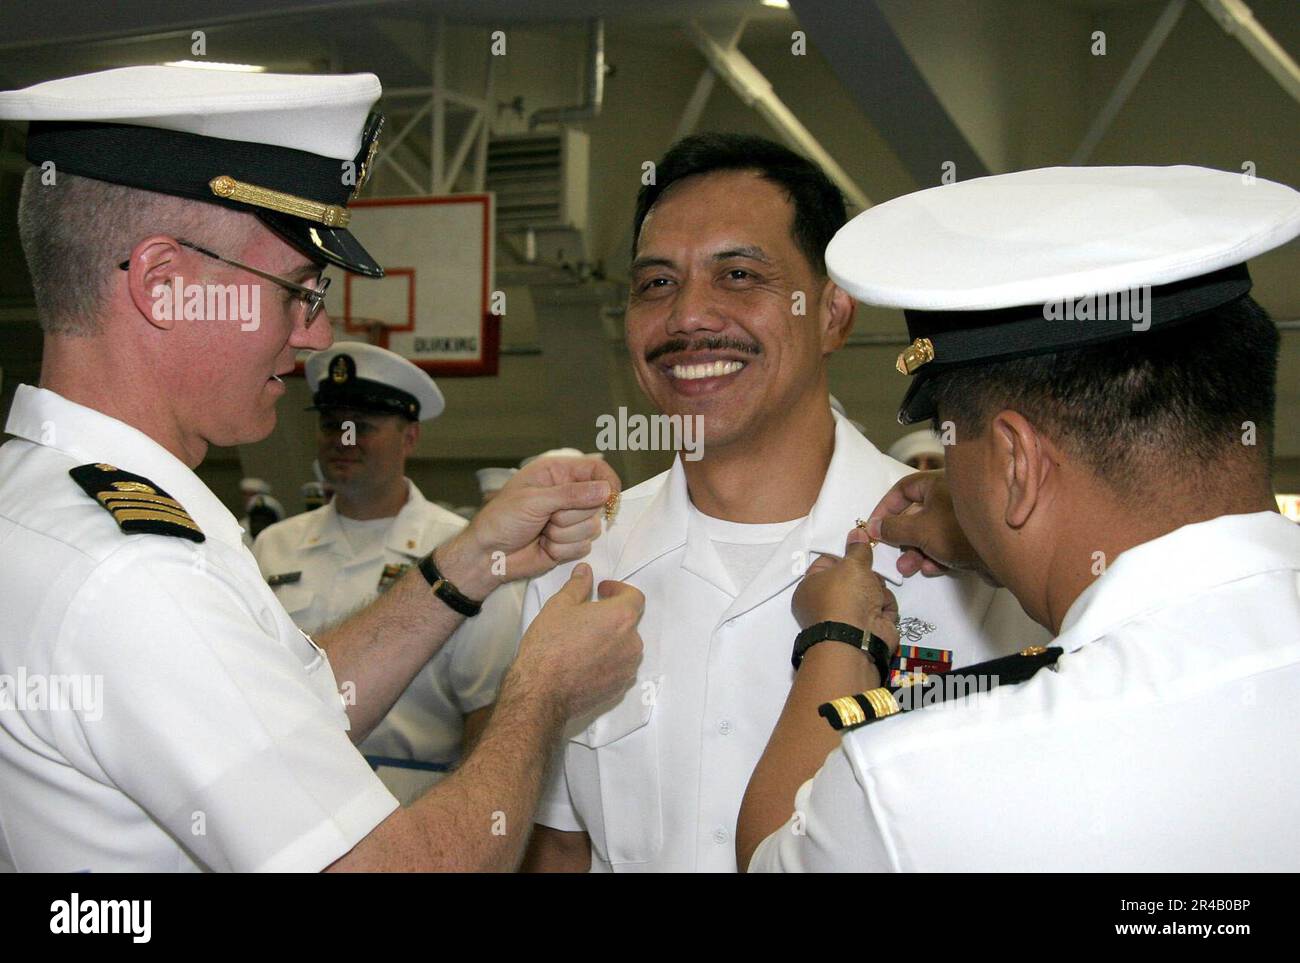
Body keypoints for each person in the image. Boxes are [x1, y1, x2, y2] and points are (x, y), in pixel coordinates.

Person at [0, 65, 642, 873]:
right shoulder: (134, 571)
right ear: (164, 286)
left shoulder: (45, 500)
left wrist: (472, 561)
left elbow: (285, 717)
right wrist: (543, 694)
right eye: (296, 290)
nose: (316, 332)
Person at [740, 164, 1300, 871]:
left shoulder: (919, 785)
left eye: (951, 442)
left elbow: (768, 852)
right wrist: (1001, 536)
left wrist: (836, 637)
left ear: (1017, 462)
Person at [521, 133, 1046, 873]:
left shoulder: (980, 568)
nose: (688, 318)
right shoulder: (580, 564)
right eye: (657, 284)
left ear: (833, 311)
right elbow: (561, 847)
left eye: (738, 274)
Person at [253, 342, 523, 803]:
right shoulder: (274, 546)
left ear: (410, 438)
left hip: (412, 800)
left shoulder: (463, 551)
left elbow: (490, 709)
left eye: (363, 427)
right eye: (332, 424)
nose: (343, 439)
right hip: (288, 795)